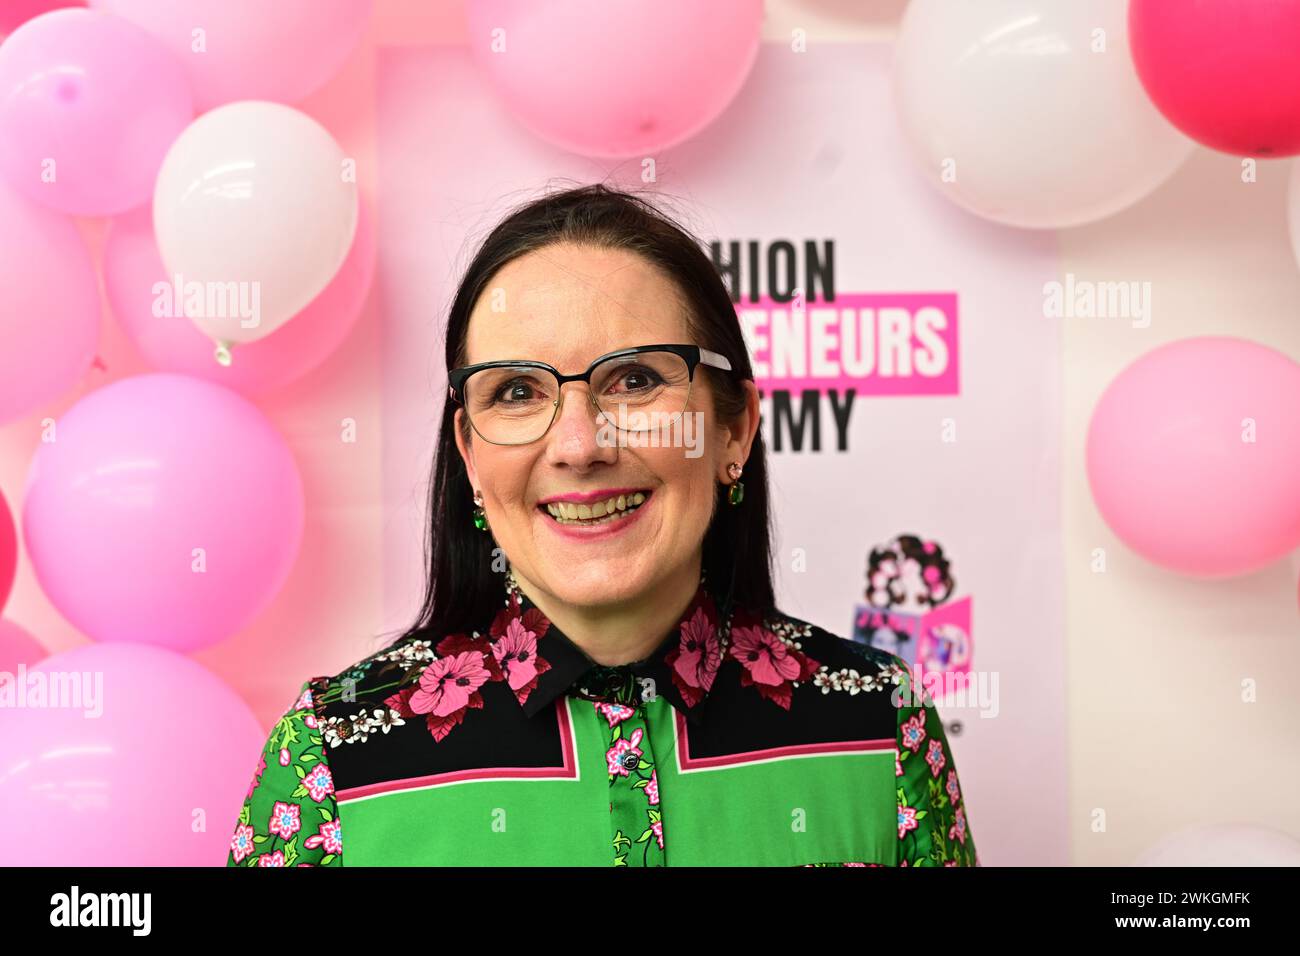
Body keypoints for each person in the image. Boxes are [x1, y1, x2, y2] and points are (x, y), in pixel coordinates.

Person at [226, 182, 978, 867]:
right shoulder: (333, 761)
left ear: (734, 430)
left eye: (637, 380)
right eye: (517, 391)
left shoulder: (880, 730)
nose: (580, 446)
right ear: (471, 457)